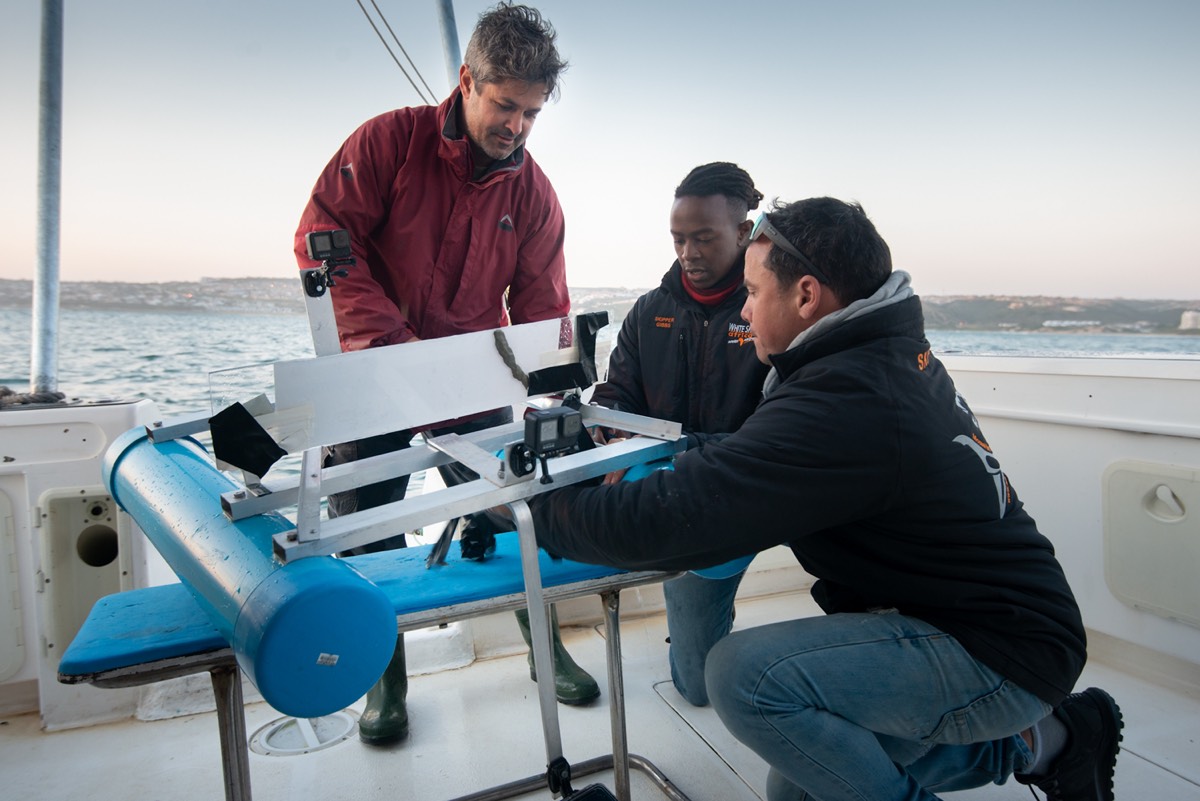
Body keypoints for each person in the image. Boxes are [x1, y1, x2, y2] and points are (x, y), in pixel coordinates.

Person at [530, 197, 1123, 800]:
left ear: (807, 296)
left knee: (743, 676)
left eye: (755, 292)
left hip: (998, 651)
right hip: (982, 618)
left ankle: (1020, 732)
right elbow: (761, 449)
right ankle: (1054, 741)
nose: (745, 307)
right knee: (803, 791)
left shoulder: (852, 399)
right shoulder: (874, 354)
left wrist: (534, 512)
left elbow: (669, 523)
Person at [294, 3, 599, 746]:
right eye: (505, 105)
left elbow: (539, 306)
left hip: (474, 378)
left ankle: (543, 646)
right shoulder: (388, 142)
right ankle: (381, 681)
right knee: (366, 533)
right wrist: (396, 350)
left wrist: (551, 388)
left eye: (531, 113)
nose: (518, 126)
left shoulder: (534, 194)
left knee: (513, 505)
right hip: (376, 372)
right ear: (467, 80)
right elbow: (322, 243)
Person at [589, 162, 769, 706]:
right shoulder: (649, 311)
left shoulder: (772, 311)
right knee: (695, 688)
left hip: (753, 489)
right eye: (678, 239)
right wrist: (613, 433)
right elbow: (615, 392)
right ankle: (709, 622)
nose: (688, 253)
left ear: (744, 233)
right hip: (677, 495)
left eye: (704, 238)